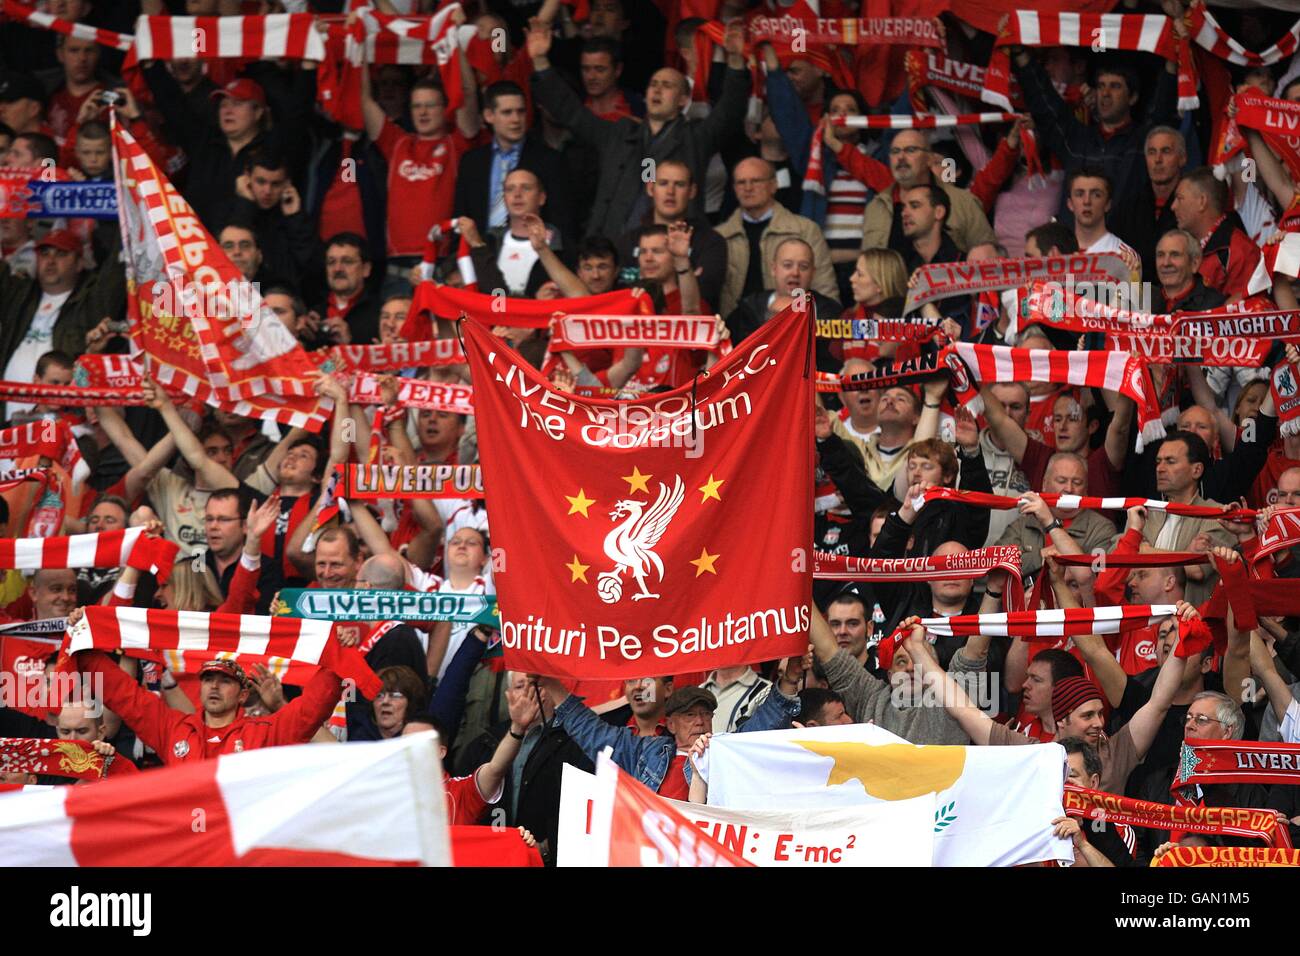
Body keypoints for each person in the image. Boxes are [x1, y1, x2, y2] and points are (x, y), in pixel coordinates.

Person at [528, 16, 748, 242]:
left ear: (683, 99)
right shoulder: (617, 134)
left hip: (670, 250)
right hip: (611, 249)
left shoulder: (696, 138)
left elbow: (730, 111)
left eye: (667, 85)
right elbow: (571, 113)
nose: (657, 90)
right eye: (653, 84)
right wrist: (541, 62)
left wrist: (735, 59)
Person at [71, 610, 344, 763]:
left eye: (225, 681)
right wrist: (81, 642)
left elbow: (311, 709)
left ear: (243, 694)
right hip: (187, 844)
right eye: (208, 679)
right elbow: (122, 694)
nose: (214, 686)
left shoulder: (264, 733)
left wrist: (338, 657)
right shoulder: (172, 727)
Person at [453, 79, 575, 247]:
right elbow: (461, 217)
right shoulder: (471, 162)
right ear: (489, 115)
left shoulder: (551, 160)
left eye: (521, 111)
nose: (516, 119)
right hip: (480, 256)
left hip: (534, 255)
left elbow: (562, 220)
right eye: (507, 112)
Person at [715, 157, 839, 315]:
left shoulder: (805, 230)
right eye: (741, 182)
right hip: (736, 331)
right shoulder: (720, 236)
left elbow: (825, 289)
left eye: (756, 181)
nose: (748, 188)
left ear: (774, 185)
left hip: (792, 328)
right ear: (734, 188)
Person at [858, 128, 997, 259]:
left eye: (911, 150)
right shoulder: (876, 207)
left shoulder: (964, 202)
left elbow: (989, 259)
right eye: (895, 151)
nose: (900, 157)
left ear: (929, 159)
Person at [1170, 167, 1261, 305]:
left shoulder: (1240, 251)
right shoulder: (1182, 246)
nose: (1173, 206)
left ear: (1202, 202)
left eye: (1179, 198)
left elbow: (1244, 314)